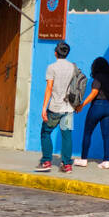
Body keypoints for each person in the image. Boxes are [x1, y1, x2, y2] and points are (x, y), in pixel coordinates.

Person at [37, 42, 77, 173]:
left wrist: (44, 108)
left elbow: (49, 88)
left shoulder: (52, 67)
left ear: (56, 53)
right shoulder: (73, 67)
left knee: (45, 132)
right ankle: (66, 164)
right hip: (68, 108)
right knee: (67, 136)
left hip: (54, 108)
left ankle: (46, 161)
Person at [74, 57, 109, 169]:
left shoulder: (98, 78)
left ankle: (83, 159)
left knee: (88, 132)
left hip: (98, 106)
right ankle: (106, 161)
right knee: (107, 135)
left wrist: (82, 105)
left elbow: (94, 93)